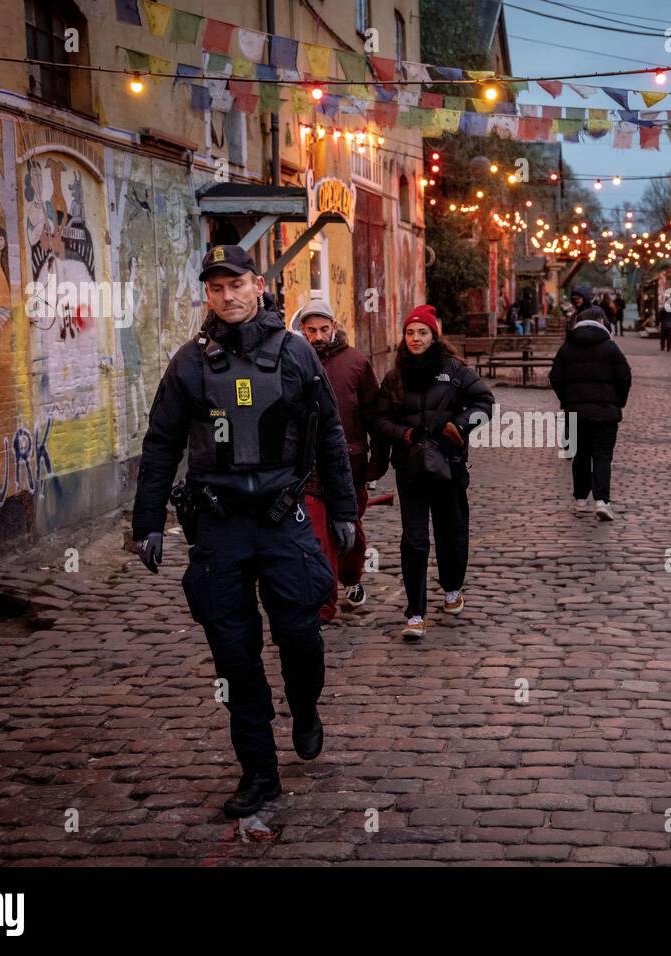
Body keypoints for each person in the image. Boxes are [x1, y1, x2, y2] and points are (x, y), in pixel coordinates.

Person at [131, 244, 358, 820]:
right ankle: (259, 771)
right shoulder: (188, 364)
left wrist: (344, 510)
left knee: (301, 635)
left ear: (258, 286)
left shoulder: (296, 354)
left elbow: (329, 432)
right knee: (235, 657)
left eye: (236, 284)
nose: (227, 296)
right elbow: (161, 444)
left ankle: (305, 706)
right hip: (219, 527)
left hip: (284, 521)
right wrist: (148, 522)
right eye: (215, 287)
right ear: (207, 295)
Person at [374, 305, 493, 642]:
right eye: (410, 333)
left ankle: (452, 587)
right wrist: (404, 435)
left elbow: (485, 402)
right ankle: (415, 613)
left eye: (422, 332)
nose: (415, 339)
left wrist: (460, 426)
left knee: (451, 530)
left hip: (448, 465)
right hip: (410, 467)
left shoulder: (454, 371)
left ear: (434, 336)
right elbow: (380, 420)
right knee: (413, 539)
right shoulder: (394, 377)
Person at [291, 298, 385, 624]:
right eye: (311, 329)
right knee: (320, 538)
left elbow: (374, 414)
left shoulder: (356, 363)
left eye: (323, 328)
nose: (317, 335)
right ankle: (323, 605)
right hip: (309, 469)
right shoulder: (293, 361)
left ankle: (352, 576)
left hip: (350, 464)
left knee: (350, 530)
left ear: (334, 327)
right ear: (302, 330)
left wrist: (377, 461)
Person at [549, 305, 632, 521]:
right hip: (606, 413)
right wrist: (618, 402)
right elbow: (624, 376)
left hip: (576, 412)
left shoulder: (567, 347)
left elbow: (555, 377)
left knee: (581, 455)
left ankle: (580, 500)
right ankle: (602, 501)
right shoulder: (610, 348)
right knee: (603, 456)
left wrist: (567, 400)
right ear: (601, 321)